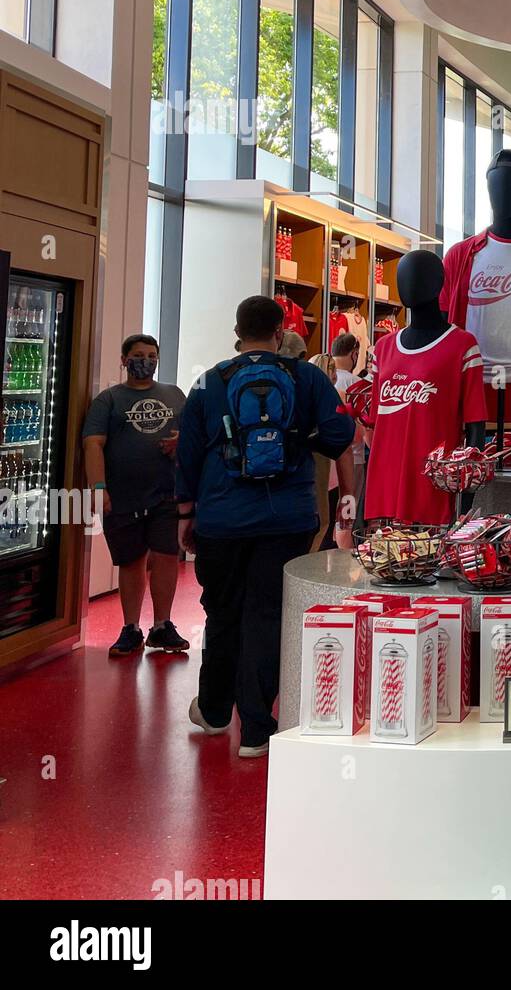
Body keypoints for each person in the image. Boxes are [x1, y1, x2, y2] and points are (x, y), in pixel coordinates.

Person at [175, 295, 357, 758]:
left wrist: (185, 515)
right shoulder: (307, 376)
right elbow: (340, 436)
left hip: (221, 517)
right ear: (280, 331)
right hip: (287, 517)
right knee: (267, 614)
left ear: (237, 332)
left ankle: (215, 712)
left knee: (222, 611)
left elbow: (188, 454)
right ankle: (256, 729)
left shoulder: (207, 382)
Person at [81, 334, 189, 657]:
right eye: (139, 355)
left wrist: (180, 442)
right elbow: (93, 444)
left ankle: (162, 626)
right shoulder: (108, 400)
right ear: (124, 360)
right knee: (131, 562)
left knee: (167, 557)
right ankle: (131, 628)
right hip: (123, 497)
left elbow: (194, 437)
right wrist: (98, 488)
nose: (146, 360)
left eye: (152, 354)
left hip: (166, 494)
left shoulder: (174, 395)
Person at [331, 332, 368, 516]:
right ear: (354, 354)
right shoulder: (357, 385)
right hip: (353, 458)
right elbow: (364, 428)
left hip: (328, 460)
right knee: (347, 515)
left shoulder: (322, 377)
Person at [309, 353, 340, 549]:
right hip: (328, 466)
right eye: (332, 369)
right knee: (324, 522)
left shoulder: (307, 394)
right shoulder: (332, 397)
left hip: (323, 468)